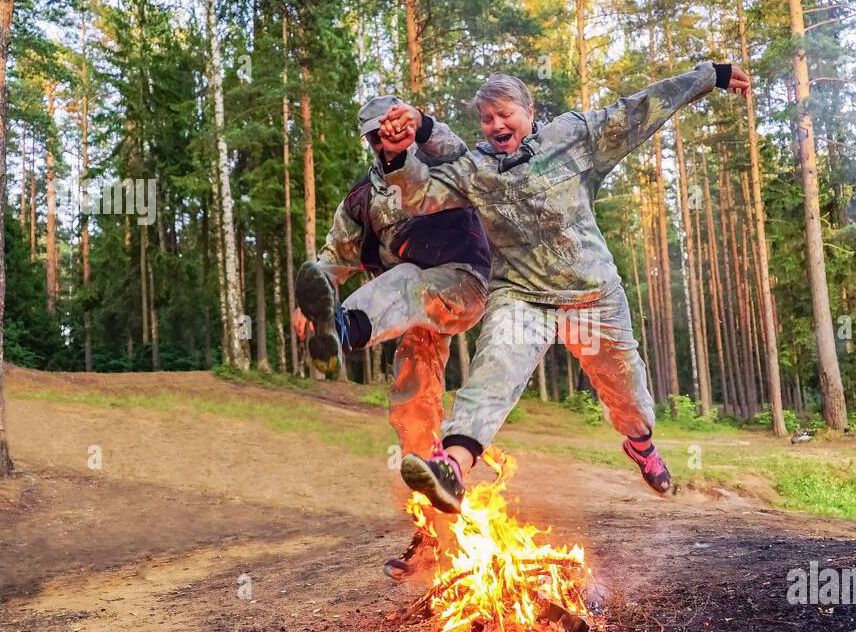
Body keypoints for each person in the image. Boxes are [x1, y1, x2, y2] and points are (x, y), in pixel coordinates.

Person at [376, 62, 751, 513]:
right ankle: (452, 467)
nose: (497, 125)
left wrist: (711, 75)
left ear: (529, 111)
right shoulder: (475, 169)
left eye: (506, 114)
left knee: (627, 395)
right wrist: (397, 157)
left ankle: (641, 446)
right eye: (488, 118)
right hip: (522, 297)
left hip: (593, 297)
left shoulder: (572, 136)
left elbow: (638, 110)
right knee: (495, 370)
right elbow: (418, 195)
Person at [294, 95, 490, 575]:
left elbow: (461, 153)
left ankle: (344, 329)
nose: (387, 140)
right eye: (377, 134)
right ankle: (434, 539)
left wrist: (421, 127)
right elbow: (334, 255)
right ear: (368, 139)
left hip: (461, 283)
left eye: (392, 129)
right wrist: (309, 299)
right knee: (412, 411)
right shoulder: (362, 198)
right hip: (412, 312)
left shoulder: (439, 162)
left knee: (403, 280)